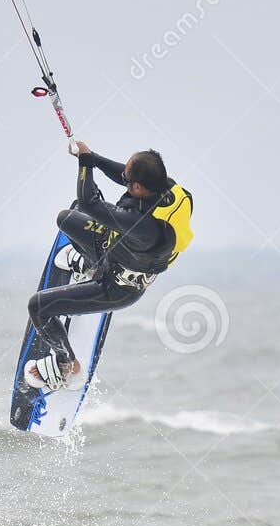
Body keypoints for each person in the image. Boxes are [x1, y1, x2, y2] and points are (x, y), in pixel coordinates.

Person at [23, 141, 193, 390]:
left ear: (137, 187)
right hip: (114, 253)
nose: (123, 176)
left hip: (117, 288)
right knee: (68, 217)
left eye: (128, 178)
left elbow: (91, 202)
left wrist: (84, 164)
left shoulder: (142, 225)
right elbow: (117, 179)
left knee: (37, 307)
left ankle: (67, 365)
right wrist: (92, 157)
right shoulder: (171, 190)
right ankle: (89, 265)